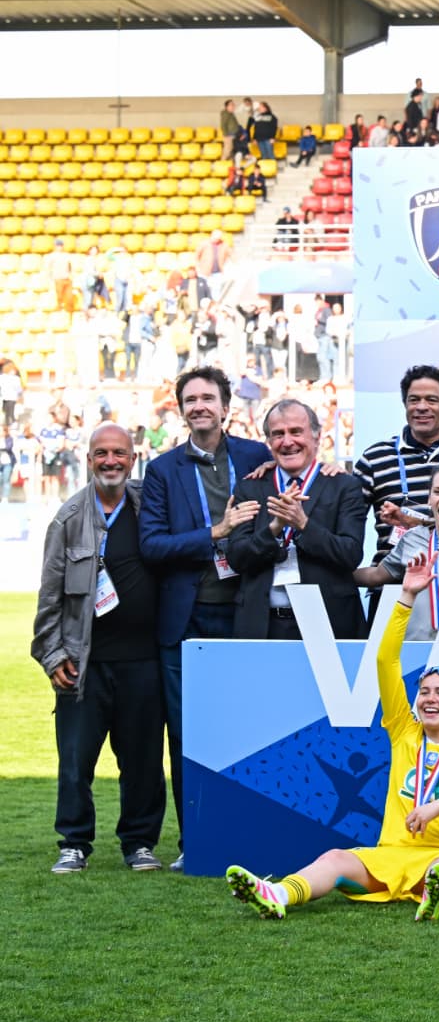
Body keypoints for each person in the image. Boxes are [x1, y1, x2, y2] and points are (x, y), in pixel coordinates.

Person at [224, 553, 439, 920]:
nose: (430, 698)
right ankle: (277, 894)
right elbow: (385, 661)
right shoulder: (403, 728)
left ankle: (437, 896)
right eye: (424, 691)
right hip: (390, 853)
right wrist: (407, 597)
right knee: (334, 858)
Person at [139, 368, 272, 867]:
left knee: (247, 730)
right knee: (186, 735)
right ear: (181, 410)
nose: (199, 406)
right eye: (190, 399)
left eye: (207, 398)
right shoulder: (162, 470)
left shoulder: (255, 456)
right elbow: (152, 545)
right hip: (186, 618)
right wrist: (215, 532)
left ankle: (247, 832)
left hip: (246, 613)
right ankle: (192, 841)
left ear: (225, 407)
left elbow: (297, 475)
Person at [36, 423, 166, 874]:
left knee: (143, 761)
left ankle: (140, 843)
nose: (111, 461)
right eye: (102, 453)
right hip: (83, 663)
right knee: (76, 761)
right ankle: (74, 843)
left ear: (133, 459)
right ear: (88, 459)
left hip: (144, 661)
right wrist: (53, 655)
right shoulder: (68, 518)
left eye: (119, 453)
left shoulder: (151, 506)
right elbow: (49, 596)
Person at [223, 400, 368, 641]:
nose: (287, 442)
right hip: (262, 625)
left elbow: (350, 554)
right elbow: (237, 558)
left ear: (317, 437)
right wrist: (273, 529)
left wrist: (303, 525)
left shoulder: (344, 486)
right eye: (278, 434)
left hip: (328, 622)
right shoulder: (249, 487)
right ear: (269, 442)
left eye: (296, 432)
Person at [354, 365, 439, 561]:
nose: (422, 407)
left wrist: (413, 522)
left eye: (431, 400)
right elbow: (346, 517)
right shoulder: (375, 458)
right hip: (393, 575)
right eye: (414, 400)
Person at [355, 465, 439, 641]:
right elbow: (376, 576)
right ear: (429, 498)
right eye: (438, 492)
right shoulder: (412, 538)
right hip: (413, 649)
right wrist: (329, 576)